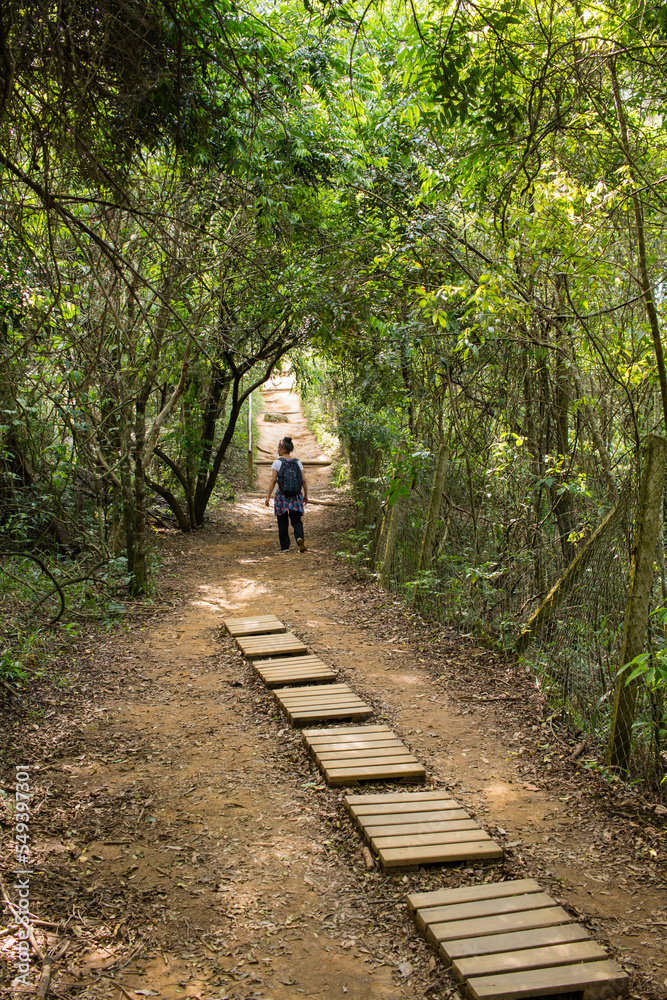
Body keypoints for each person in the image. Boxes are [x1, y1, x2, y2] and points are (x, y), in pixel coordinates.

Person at [264, 436, 308, 552]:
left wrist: (268, 496)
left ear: (283, 449)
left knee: (282, 521)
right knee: (296, 520)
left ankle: (285, 547)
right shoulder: (297, 462)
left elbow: (273, 480)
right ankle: (299, 538)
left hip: (282, 496)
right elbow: (303, 480)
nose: (277, 450)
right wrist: (306, 495)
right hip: (296, 495)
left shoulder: (277, 462)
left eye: (278, 448)